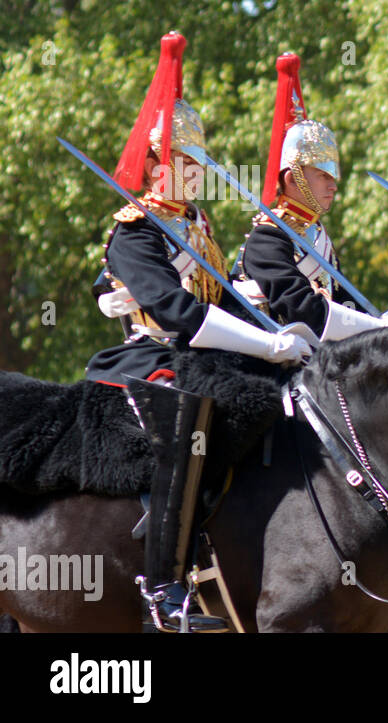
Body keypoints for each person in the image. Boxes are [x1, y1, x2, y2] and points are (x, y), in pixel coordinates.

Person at [86, 33, 311, 632]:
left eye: (200, 162)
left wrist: (275, 332)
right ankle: (163, 590)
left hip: (208, 356)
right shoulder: (134, 231)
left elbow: (227, 301)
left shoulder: (198, 226)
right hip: (151, 358)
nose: (196, 172)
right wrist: (264, 342)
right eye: (186, 162)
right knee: (186, 426)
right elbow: (176, 314)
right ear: (158, 165)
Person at [232, 52, 388, 339]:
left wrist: (381, 327)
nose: (333, 186)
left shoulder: (315, 234)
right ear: (293, 179)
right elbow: (301, 309)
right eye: (323, 176)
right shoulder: (268, 239)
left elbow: (343, 301)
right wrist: (374, 330)